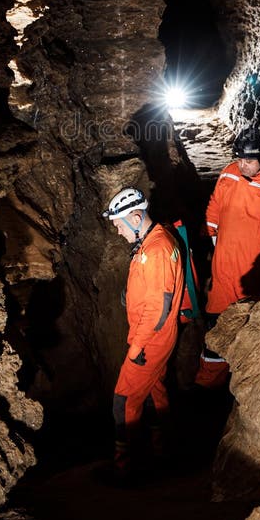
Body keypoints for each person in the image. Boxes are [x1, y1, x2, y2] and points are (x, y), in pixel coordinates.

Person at [195, 126, 260, 388]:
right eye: (239, 158)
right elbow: (215, 205)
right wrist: (211, 230)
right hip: (223, 269)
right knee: (216, 330)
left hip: (253, 276)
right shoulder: (230, 172)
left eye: (249, 161)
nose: (243, 165)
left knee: (245, 330)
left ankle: (240, 385)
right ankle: (207, 387)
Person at [102, 186, 185, 480]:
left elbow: (157, 310)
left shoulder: (157, 249)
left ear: (135, 218)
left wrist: (136, 349)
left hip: (150, 341)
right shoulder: (152, 242)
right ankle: (164, 454)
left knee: (124, 400)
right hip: (157, 338)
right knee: (154, 393)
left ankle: (126, 469)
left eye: (119, 226)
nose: (118, 232)